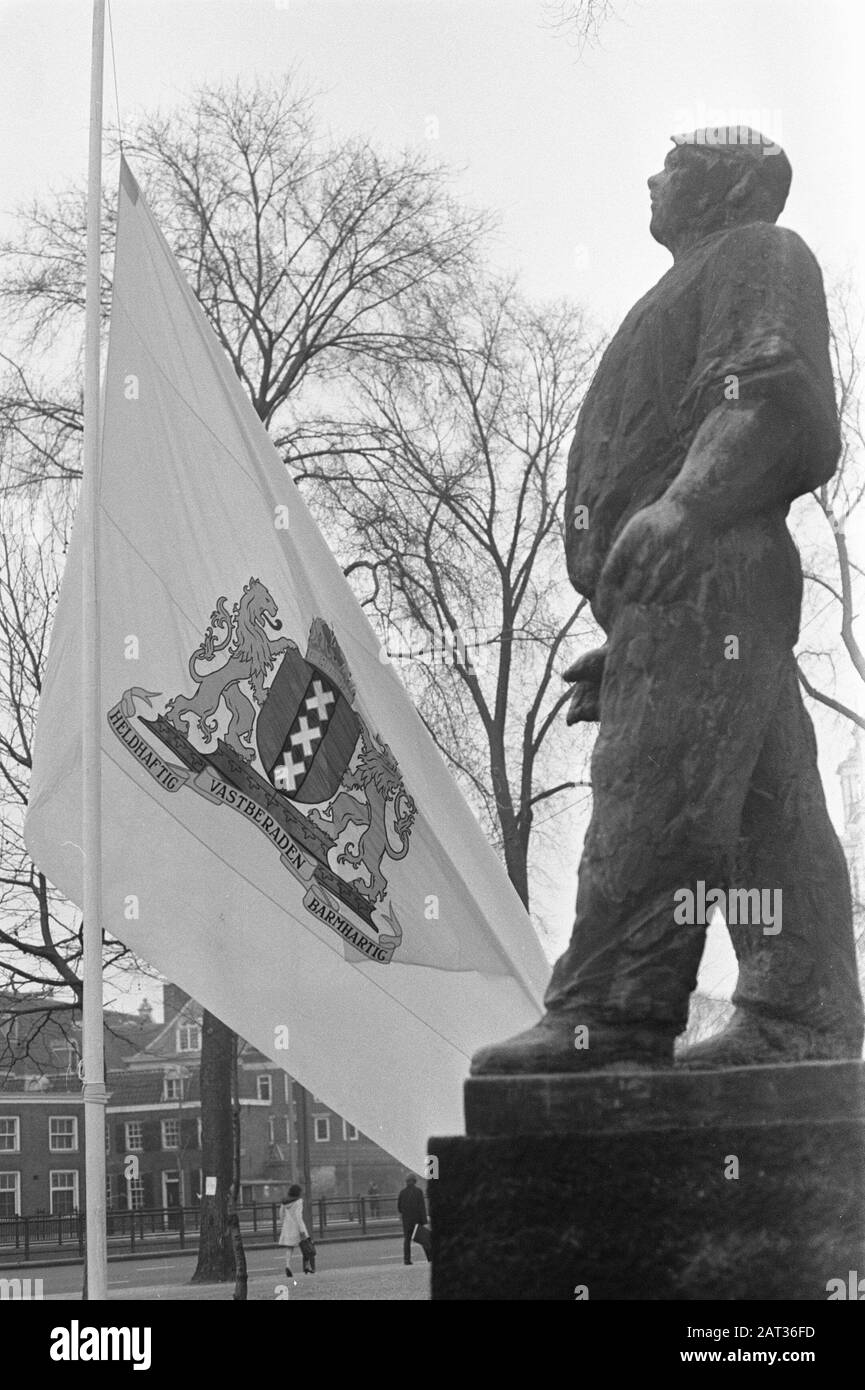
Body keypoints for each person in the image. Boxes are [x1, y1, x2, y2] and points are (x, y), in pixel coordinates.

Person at [471, 127, 864, 1077]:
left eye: (675, 166)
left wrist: (687, 507)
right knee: (761, 798)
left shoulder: (755, 253)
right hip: (682, 584)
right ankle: (802, 1012)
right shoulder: (700, 274)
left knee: (655, 786)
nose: (653, 179)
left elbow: (771, 399)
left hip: (708, 560)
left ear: (727, 185)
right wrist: (631, 633)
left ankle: (609, 1017)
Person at [278, 1183, 308, 1282]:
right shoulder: (299, 1201)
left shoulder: (284, 1201)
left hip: (287, 1226)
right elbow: (298, 1216)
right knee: (305, 1247)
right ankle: (307, 1267)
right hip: (297, 1227)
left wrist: (284, 1223)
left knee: (289, 1248)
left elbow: (281, 1214)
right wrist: (302, 1230)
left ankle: (287, 1265)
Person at [397, 1174, 429, 1265]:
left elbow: (399, 1207)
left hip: (406, 1221)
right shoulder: (418, 1191)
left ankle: (406, 1260)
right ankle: (430, 1257)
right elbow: (422, 1207)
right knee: (423, 1239)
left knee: (407, 1240)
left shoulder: (402, 1192)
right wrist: (424, 1221)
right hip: (417, 1220)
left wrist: (404, 1214)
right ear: (415, 1181)